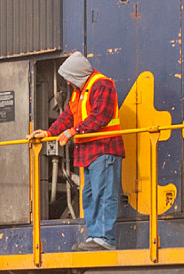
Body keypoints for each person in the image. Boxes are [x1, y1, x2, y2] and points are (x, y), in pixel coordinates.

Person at [28, 51, 126, 251]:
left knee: (104, 195)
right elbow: (68, 117)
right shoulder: (79, 92)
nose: (68, 83)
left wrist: (74, 131)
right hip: (89, 152)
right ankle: (95, 237)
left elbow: (101, 116)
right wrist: (48, 132)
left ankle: (104, 239)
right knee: (90, 196)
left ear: (76, 76)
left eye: (69, 79)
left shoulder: (101, 85)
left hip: (104, 149)